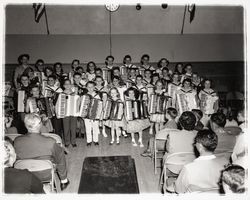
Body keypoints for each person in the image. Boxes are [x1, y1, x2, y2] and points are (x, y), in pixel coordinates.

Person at [14, 113, 70, 190]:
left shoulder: (17, 141)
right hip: (45, 174)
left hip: (22, 174)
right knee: (60, 155)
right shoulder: (50, 141)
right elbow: (60, 159)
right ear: (40, 125)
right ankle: (64, 181)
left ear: (26, 125)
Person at [84, 81, 101, 146]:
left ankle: (96, 140)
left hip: (95, 114)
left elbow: (99, 105)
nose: (90, 88)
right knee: (88, 128)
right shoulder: (85, 96)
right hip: (87, 114)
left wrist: (98, 115)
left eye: (92, 87)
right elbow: (82, 106)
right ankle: (89, 141)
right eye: (88, 87)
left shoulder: (97, 96)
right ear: (86, 87)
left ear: (94, 87)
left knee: (95, 128)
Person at [62, 79, 77, 147]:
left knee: (73, 128)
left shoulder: (74, 94)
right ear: (64, 85)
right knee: (66, 128)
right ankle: (67, 142)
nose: (68, 85)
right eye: (66, 84)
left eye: (69, 84)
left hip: (73, 113)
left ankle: (73, 141)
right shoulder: (61, 94)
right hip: (65, 114)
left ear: (71, 85)